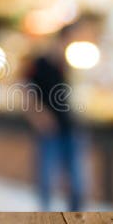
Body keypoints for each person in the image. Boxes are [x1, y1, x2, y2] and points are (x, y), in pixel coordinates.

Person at [25, 24, 85, 211]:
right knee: (46, 178)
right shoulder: (40, 63)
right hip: (50, 131)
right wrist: (39, 117)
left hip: (69, 127)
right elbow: (26, 93)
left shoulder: (65, 65)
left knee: (76, 180)